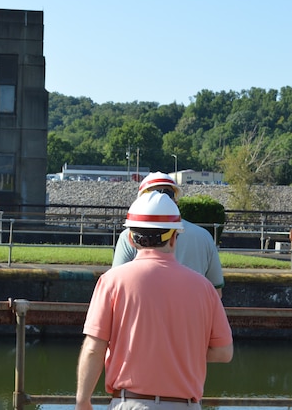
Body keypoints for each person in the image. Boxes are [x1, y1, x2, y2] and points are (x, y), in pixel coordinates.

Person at [75, 192, 233, 410]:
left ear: (130, 238)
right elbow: (224, 352)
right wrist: (179, 351)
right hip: (185, 405)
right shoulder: (204, 288)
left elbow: (94, 348)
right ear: (174, 237)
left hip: (129, 402)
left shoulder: (111, 281)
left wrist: (83, 400)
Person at [112, 172, 224, 296]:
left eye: (166, 193)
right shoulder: (204, 236)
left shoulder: (128, 235)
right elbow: (216, 292)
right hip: (192, 311)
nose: (160, 197)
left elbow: (116, 288)